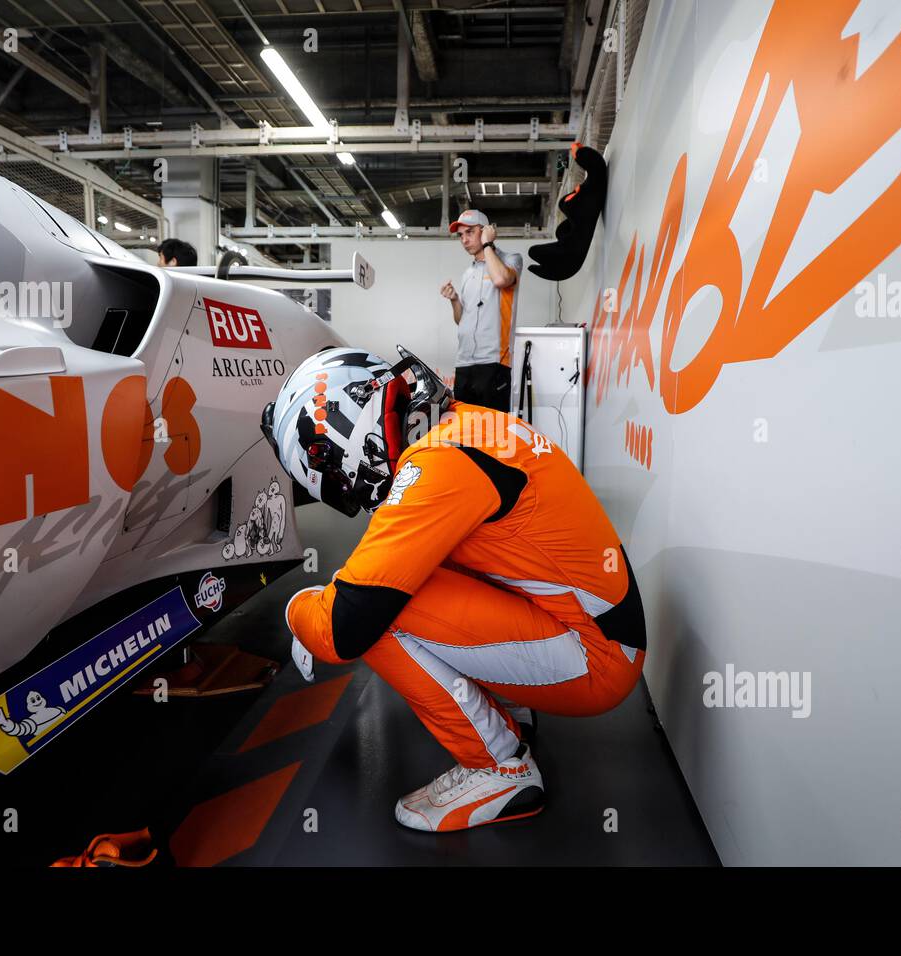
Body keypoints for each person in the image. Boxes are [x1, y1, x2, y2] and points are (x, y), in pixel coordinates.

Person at [261, 345, 646, 832]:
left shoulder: (437, 464)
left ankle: (501, 768)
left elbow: (344, 628)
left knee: (374, 612)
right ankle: (510, 705)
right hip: (601, 633)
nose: (351, 489)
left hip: (597, 661)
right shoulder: (461, 424)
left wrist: (299, 609)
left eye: (335, 473)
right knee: (401, 575)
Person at [440, 209, 522, 412]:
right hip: (464, 363)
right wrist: (454, 300)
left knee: (492, 437)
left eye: (470, 232)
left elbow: (501, 279)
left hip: (494, 362)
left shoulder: (511, 260)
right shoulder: (468, 274)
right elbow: (462, 320)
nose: (464, 240)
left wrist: (487, 244)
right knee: (466, 436)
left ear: (486, 231)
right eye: (461, 235)